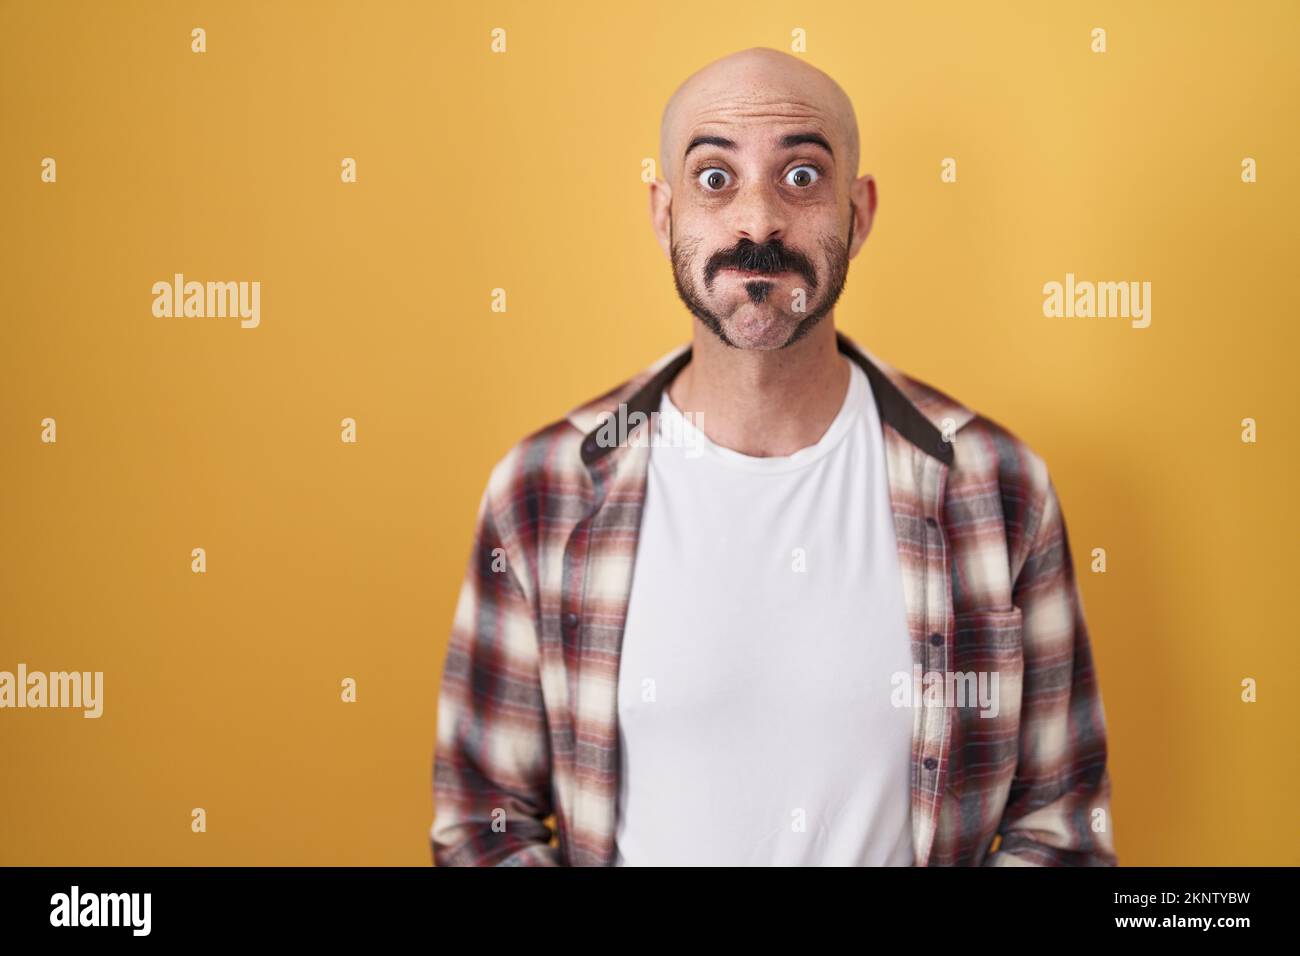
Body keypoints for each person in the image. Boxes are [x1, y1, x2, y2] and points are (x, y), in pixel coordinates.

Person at [430, 47, 1117, 866]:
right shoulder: (542, 490)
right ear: (664, 214)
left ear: (859, 215)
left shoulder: (998, 487)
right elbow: (482, 824)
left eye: (801, 177)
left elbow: (1062, 830)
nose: (758, 222)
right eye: (715, 178)